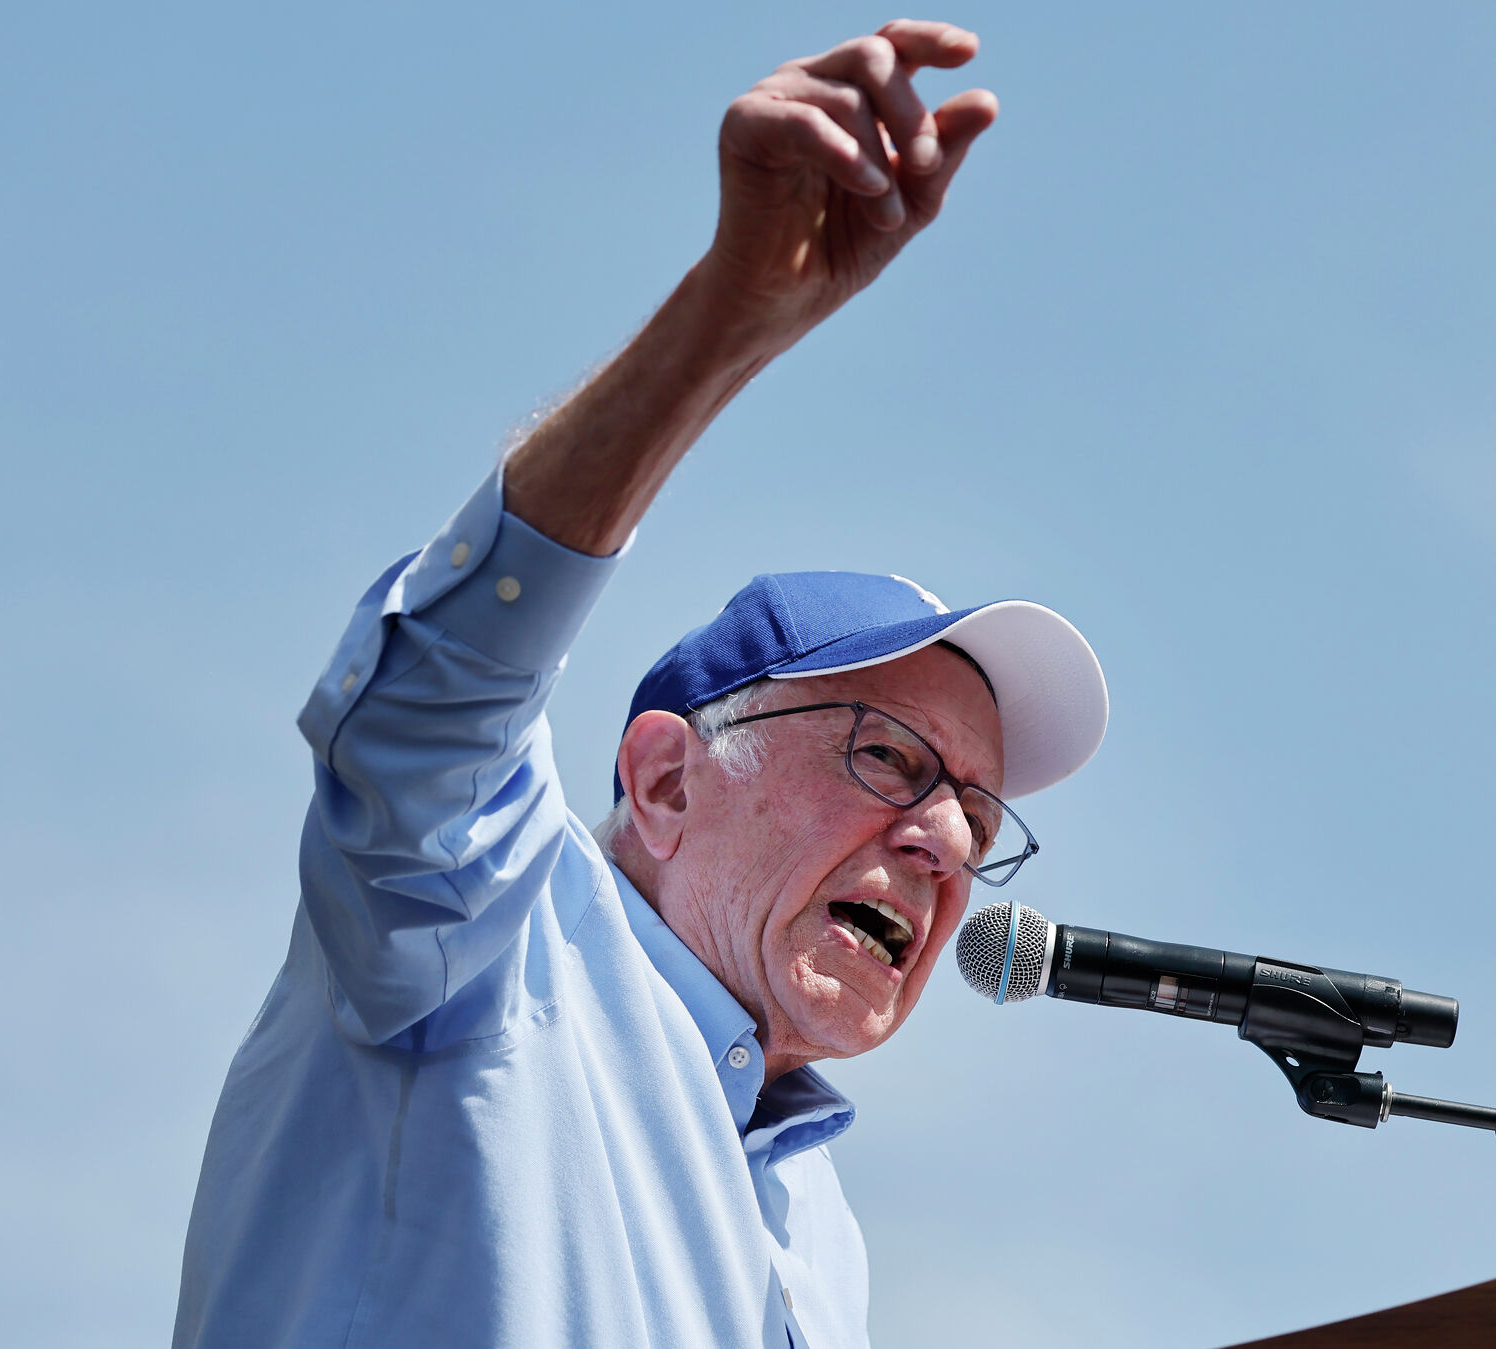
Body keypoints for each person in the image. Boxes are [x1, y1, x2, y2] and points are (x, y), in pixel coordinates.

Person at [173, 20, 1108, 1349]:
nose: (945, 843)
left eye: (975, 812)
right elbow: (433, 699)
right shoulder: (488, 939)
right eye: (892, 760)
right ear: (666, 780)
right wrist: (723, 319)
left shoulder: (822, 1232)